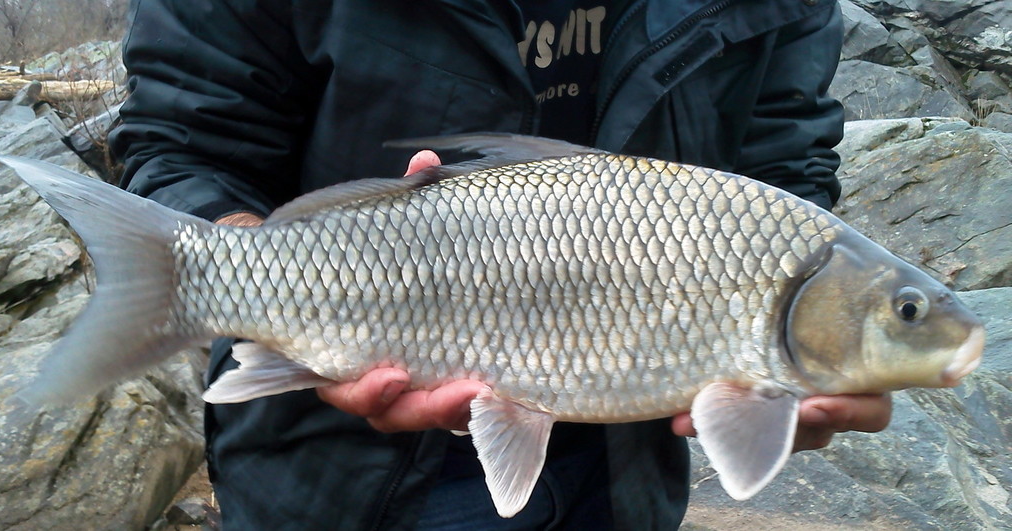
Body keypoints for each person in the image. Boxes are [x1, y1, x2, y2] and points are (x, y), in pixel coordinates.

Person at [110, 0, 892, 529]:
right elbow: (184, 143)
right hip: (334, 477)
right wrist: (265, 292)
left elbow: (784, 171)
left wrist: (810, 352)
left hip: (625, 473)